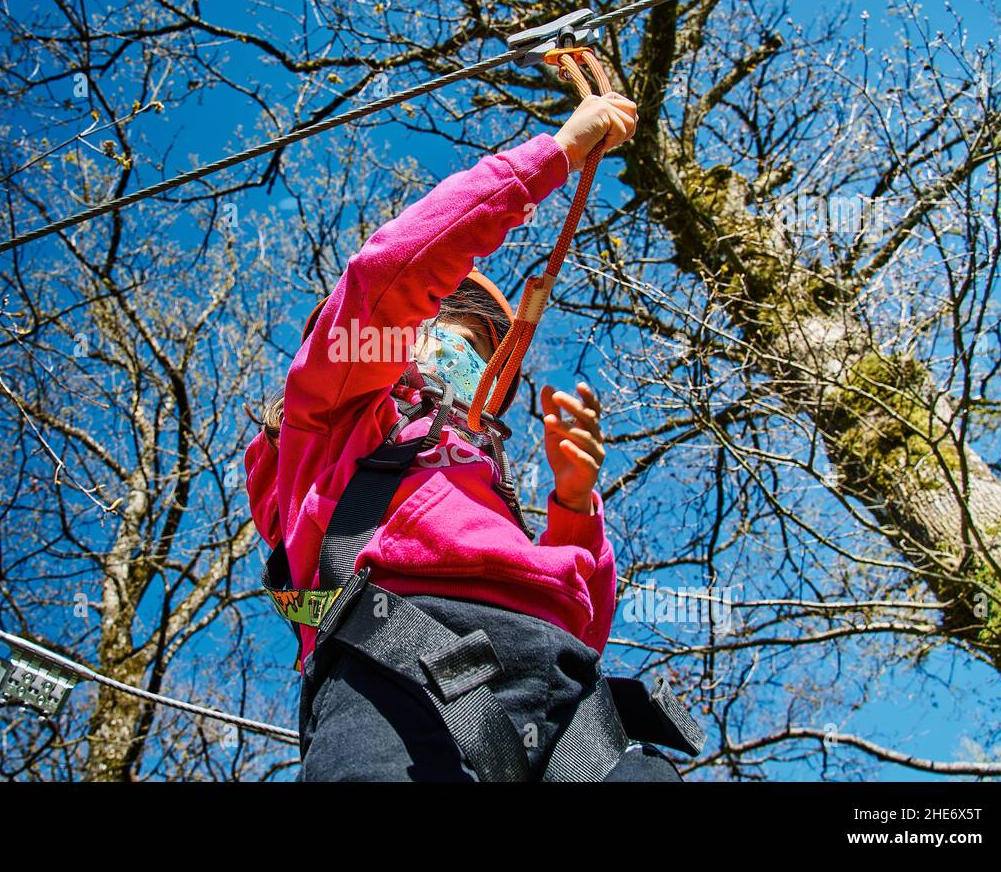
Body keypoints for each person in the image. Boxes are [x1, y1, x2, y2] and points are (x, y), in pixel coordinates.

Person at [244, 90, 684, 780]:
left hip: (567, 696)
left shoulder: (485, 478)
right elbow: (392, 274)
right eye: (448, 330)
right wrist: (555, 155)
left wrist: (573, 512)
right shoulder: (336, 413)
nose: (466, 363)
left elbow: (580, 618)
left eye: (482, 353)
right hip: (396, 666)